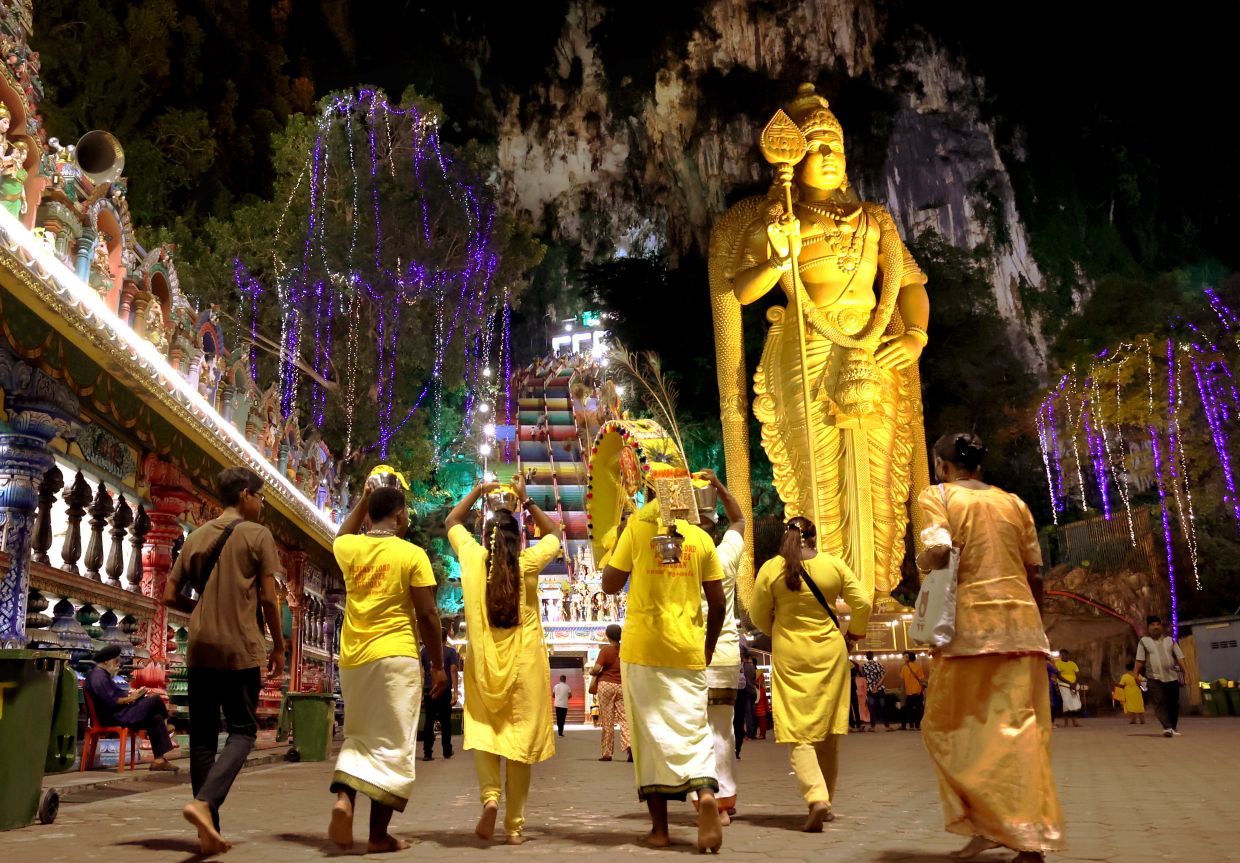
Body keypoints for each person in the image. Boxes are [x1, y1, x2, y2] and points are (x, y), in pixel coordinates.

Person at [916, 432, 1064, 862]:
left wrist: (924, 562)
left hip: (969, 631)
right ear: (978, 464)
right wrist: (1035, 622)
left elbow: (937, 550)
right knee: (1021, 731)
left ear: (941, 465)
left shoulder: (939, 496)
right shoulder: (1013, 503)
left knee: (946, 728)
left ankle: (1007, 826)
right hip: (1022, 628)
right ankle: (1009, 829)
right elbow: (1035, 573)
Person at [164, 467, 286, 856]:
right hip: (239, 646)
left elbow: (169, 594)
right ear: (246, 494)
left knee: (202, 738)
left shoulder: (197, 536)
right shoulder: (258, 535)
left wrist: (202, 612)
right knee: (243, 732)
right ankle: (205, 804)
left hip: (200, 646)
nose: (262, 504)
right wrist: (278, 646)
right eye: (261, 497)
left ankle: (209, 832)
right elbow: (268, 599)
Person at [602, 488, 726, 853]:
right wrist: (708, 646)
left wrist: (620, 538)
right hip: (688, 649)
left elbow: (609, 584)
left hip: (643, 649)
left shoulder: (637, 530)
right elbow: (718, 602)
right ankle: (706, 795)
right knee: (695, 731)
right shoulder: (700, 538)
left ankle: (660, 830)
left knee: (648, 737)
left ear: (651, 492)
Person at [326, 484, 445, 853]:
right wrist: (438, 665)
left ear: (369, 514)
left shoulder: (351, 549)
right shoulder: (411, 554)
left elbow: (341, 535)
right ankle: (378, 836)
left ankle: (344, 800)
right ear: (399, 514)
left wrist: (364, 500)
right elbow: (427, 614)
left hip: (354, 659)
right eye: (405, 511)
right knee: (394, 744)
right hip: (396, 657)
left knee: (358, 734)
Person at [446, 477, 561, 845]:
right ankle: (514, 828)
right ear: (519, 538)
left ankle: (491, 799)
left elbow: (451, 522)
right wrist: (526, 501)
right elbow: (555, 533)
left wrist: (478, 492)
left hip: (483, 666)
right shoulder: (528, 563)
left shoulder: (472, 558)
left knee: (485, 734)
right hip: (524, 668)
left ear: (486, 536)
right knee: (519, 747)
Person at [749, 516, 871, 832]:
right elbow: (862, 603)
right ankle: (826, 800)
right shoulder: (833, 565)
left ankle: (816, 797)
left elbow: (757, 614)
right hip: (830, 653)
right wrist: (853, 636)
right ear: (814, 538)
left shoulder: (771, 569)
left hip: (790, 655)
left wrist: (779, 629)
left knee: (797, 731)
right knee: (828, 733)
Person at [690, 469, 745, 822]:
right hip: (724, 654)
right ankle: (724, 797)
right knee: (723, 731)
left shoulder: (682, 559)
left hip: (691, 654)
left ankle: (706, 797)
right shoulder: (725, 555)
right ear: (714, 528)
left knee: (697, 731)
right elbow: (739, 520)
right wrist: (720, 488)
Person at [83, 645, 178, 771]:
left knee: (155, 718)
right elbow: (111, 701)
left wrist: (136, 695)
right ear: (106, 661)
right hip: (113, 717)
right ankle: (166, 725)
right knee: (155, 699)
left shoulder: (103, 675)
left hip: (119, 713)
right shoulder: (98, 676)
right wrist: (132, 698)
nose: (118, 664)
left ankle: (159, 761)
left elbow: (117, 695)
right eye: (116, 661)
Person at [1134, 615, 1185, 738]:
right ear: (1148, 628)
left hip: (1172, 677)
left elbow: (1180, 657)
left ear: (1161, 626)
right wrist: (1135, 674)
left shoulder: (1170, 640)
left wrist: (1186, 672)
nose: (1155, 627)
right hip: (1154, 678)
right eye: (1152, 625)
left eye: (1158, 624)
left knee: (1173, 703)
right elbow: (1140, 660)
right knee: (1159, 701)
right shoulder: (1144, 642)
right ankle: (1167, 728)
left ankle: (1173, 727)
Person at [591, 623, 630, 761]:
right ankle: (630, 745)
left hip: (606, 685)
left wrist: (592, 672)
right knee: (625, 718)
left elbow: (597, 668)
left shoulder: (606, 650)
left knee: (607, 720)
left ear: (607, 636)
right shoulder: (625, 650)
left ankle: (607, 753)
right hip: (622, 686)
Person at [422, 627, 460, 760]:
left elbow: (421, 671)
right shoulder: (451, 652)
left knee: (429, 720)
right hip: (444, 690)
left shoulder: (425, 651)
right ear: (445, 639)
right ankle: (447, 750)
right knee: (445, 721)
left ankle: (427, 752)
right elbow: (453, 671)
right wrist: (455, 692)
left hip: (429, 689)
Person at [861, 651, 892, 731]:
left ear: (866, 657)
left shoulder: (864, 666)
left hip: (869, 690)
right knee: (883, 707)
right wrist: (877, 686)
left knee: (872, 708)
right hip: (880, 689)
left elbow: (863, 677)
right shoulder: (878, 664)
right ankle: (887, 726)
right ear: (873, 656)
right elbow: (883, 677)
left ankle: (873, 727)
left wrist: (872, 686)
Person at [1053, 649, 1082, 727]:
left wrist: (1074, 684)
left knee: (1074, 703)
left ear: (1068, 655)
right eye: (1062, 655)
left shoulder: (1072, 664)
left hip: (1074, 685)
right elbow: (1058, 676)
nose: (1064, 656)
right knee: (1066, 702)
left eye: (1065, 655)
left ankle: (1075, 722)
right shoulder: (1058, 663)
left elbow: (1078, 674)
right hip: (1063, 685)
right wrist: (1069, 683)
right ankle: (1066, 722)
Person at [733, 654, 755, 758]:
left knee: (734, 720)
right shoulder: (749, 667)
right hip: (746, 692)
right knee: (745, 716)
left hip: (733, 693)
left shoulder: (731, 665)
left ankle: (735, 747)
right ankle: (738, 747)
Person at [899, 652, 927, 730]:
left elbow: (902, 678)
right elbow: (922, 678)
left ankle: (911, 726)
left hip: (908, 691)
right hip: (917, 691)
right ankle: (917, 725)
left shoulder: (904, 667)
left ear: (909, 658)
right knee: (919, 709)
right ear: (914, 658)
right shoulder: (918, 666)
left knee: (910, 709)